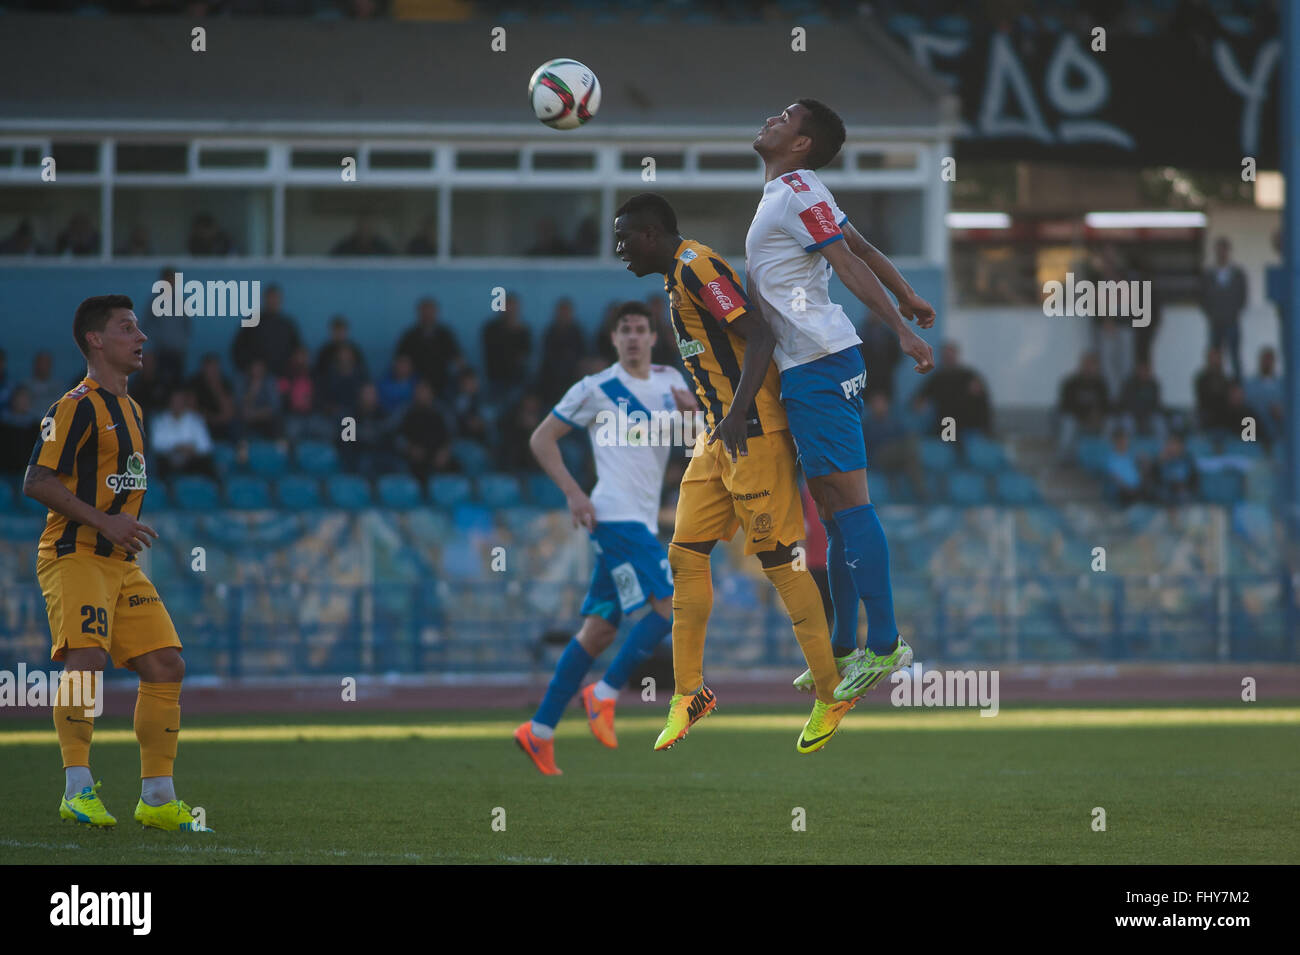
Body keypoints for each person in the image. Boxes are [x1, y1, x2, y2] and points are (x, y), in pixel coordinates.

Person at [615, 192, 851, 755]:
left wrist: (741, 410)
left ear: (651, 234)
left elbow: (761, 336)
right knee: (685, 553)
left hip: (754, 434)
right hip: (717, 438)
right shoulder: (675, 279)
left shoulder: (697, 266)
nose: (618, 249)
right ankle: (689, 692)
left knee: (781, 565)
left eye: (624, 238)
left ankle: (830, 691)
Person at [748, 99, 935, 704]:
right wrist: (906, 295)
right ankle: (843, 646)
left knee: (849, 505)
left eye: (784, 117)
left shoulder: (795, 191)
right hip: (815, 363)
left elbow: (846, 259)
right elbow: (862, 243)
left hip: (819, 363)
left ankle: (884, 646)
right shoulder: (801, 186)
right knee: (829, 510)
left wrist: (899, 328)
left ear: (800, 143)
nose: (771, 119)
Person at [22, 294, 210, 833]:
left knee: (166, 664)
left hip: (119, 562)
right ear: (95, 340)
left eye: (140, 328)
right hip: (74, 554)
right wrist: (104, 522)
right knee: (87, 659)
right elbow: (36, 480)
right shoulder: (73, 405)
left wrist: (116, 530)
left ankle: (157, 797)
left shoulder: (132, 409)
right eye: (128, 328)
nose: (142, 337)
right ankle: (76, 790)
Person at [513, 302, 690, 775]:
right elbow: (540, 439)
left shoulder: (671, 380)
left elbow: (696, 444)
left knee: (599, 631)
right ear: (613, 339)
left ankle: (540, 730)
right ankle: (605, 692)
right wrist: (573, 493)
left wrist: (695, 416)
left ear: (654, 337)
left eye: (640, 330)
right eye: (624, 330)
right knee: (666, 606)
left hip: (640, 521)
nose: (633, 337)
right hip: (614, 516)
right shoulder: (596, 388)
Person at [911, 341, 991, 437]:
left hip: (969, 423)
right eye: (946, 356)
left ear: (957, 355)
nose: (948, 358)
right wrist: (920, 404)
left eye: (951, 355)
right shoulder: (936, 378)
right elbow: (918, 399)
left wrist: (978, 393)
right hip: (947, 423)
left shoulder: (969, 376)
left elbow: (983, 398)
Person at [395, 298, 463, 399]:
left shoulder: (445, 334)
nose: (427, 315)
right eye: (424, 312)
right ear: (418, 313)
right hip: (415, 383)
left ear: (436, 312)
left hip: (442, 381)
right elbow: (400, 360)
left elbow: (458, 359)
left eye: (431, 311)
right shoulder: (409, 336)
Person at [1200, 237, 1247, 381]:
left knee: (1234, 356)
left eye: (1223, 250)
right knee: (1215, 356)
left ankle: (1237, 389)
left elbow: (1242, 297)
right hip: (1216, 321)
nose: (1221, 253)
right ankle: (1215, 386)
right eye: (1219, 250)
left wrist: (1233, 312)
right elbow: (1203, 297)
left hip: (1232, 320)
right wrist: (1212, 313)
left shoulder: (1237, 274)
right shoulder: (1209, 274)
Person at [231, 284, 301, 377]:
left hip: (282, 378)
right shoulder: (252, 321)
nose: (273, 301)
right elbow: (237, 350)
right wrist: (250, 366)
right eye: (271, 297)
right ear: (264, 299)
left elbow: (298, 349)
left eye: (276, 298)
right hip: (255, 378)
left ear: (281, 300)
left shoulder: (287, 324)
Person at [1055, 350, 1111, 462]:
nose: (1089, 368)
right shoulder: (1071, 383)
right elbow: (1066, 405)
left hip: (1095, 420)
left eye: (1092, 365)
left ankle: (1104, 457)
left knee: (1110, 423)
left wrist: (1099, 415)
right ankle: (1065, 458)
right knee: (1068, 423)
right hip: (1076, 417)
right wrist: (1085, 416)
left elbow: (1106, 405)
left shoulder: (1101, 384)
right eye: (1087, 364)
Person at [152, 388, 218, 479]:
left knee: (207, 464)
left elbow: (206, 446)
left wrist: (192, 450)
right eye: (175, 401)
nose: (178, 404)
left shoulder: (196, 420)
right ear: (169, 402)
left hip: (192, 460)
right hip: (169, 460)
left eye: (180, 401)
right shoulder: (160, 420)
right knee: (160, 463)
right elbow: (156, 445)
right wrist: (177, 447)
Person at [1244, 346, 1284, 448]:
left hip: (1278, 439)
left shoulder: (1283, 385)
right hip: (1254, 438)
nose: (1266, 362)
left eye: (1269, 359)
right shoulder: (1249, 385)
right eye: (1264, 359)